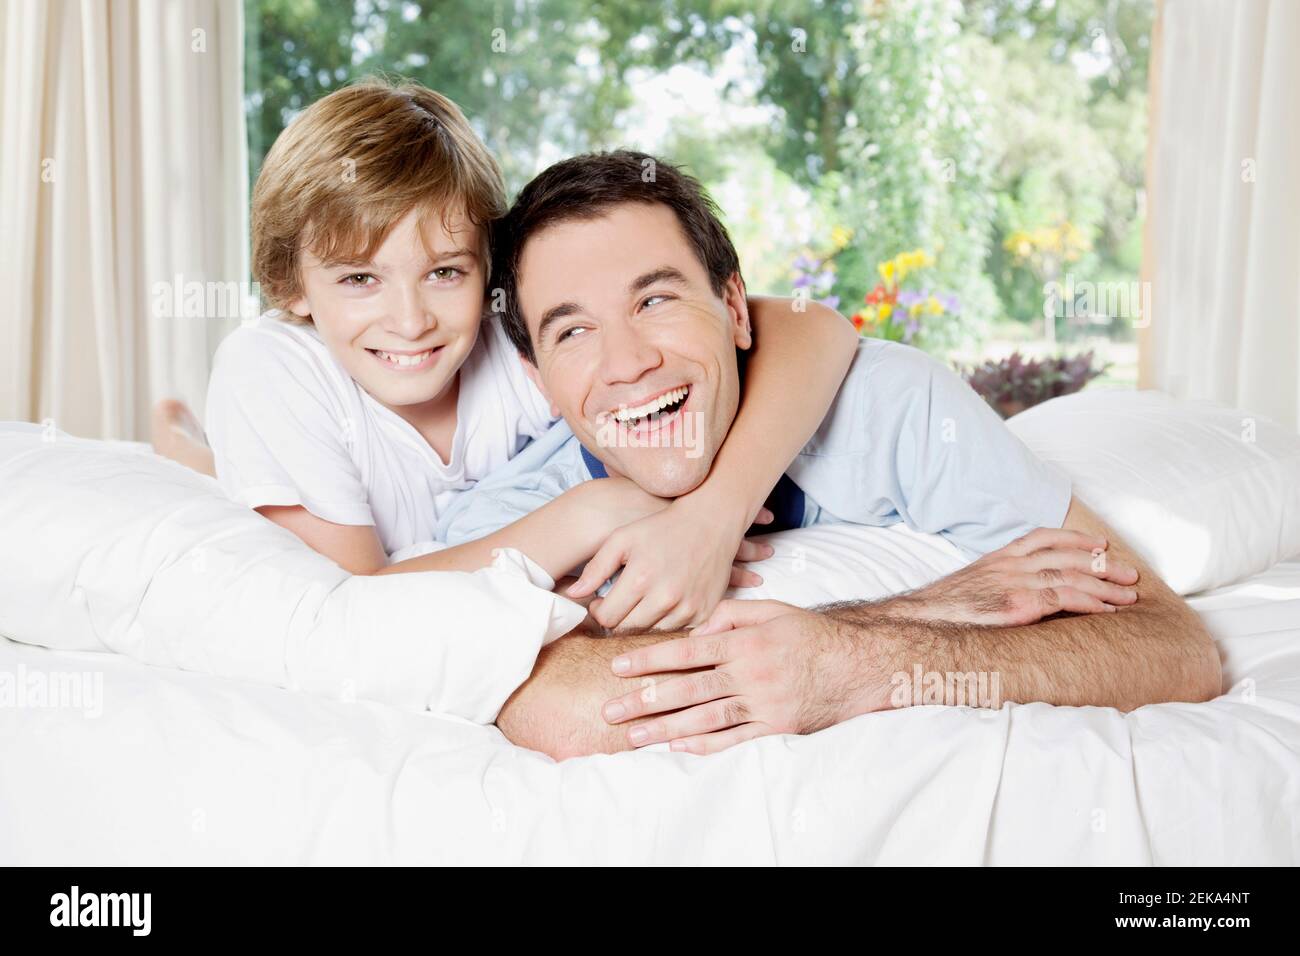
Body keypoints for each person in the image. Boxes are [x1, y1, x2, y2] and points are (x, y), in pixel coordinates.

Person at [435, 150, 1222, 758]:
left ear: (736, 309)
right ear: (537, 379)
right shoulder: (514, 516)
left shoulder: (895, 407)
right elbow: (563, 710)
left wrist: (856, 666)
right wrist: (910, 615)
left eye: (657, 299)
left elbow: (1172, 646)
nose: (628, 362)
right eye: (574, 330)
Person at [153, 79, 862, 628]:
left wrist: (714, 515)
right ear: (290, 285)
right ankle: (187, 450)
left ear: (488, 270)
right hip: (286, 438)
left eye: (444, 273)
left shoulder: (515, 342)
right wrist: (590, 514)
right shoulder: (270, 369)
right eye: (360, 279)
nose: (409, 321)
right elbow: (352, 603)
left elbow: (812, 328)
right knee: (218, 490)